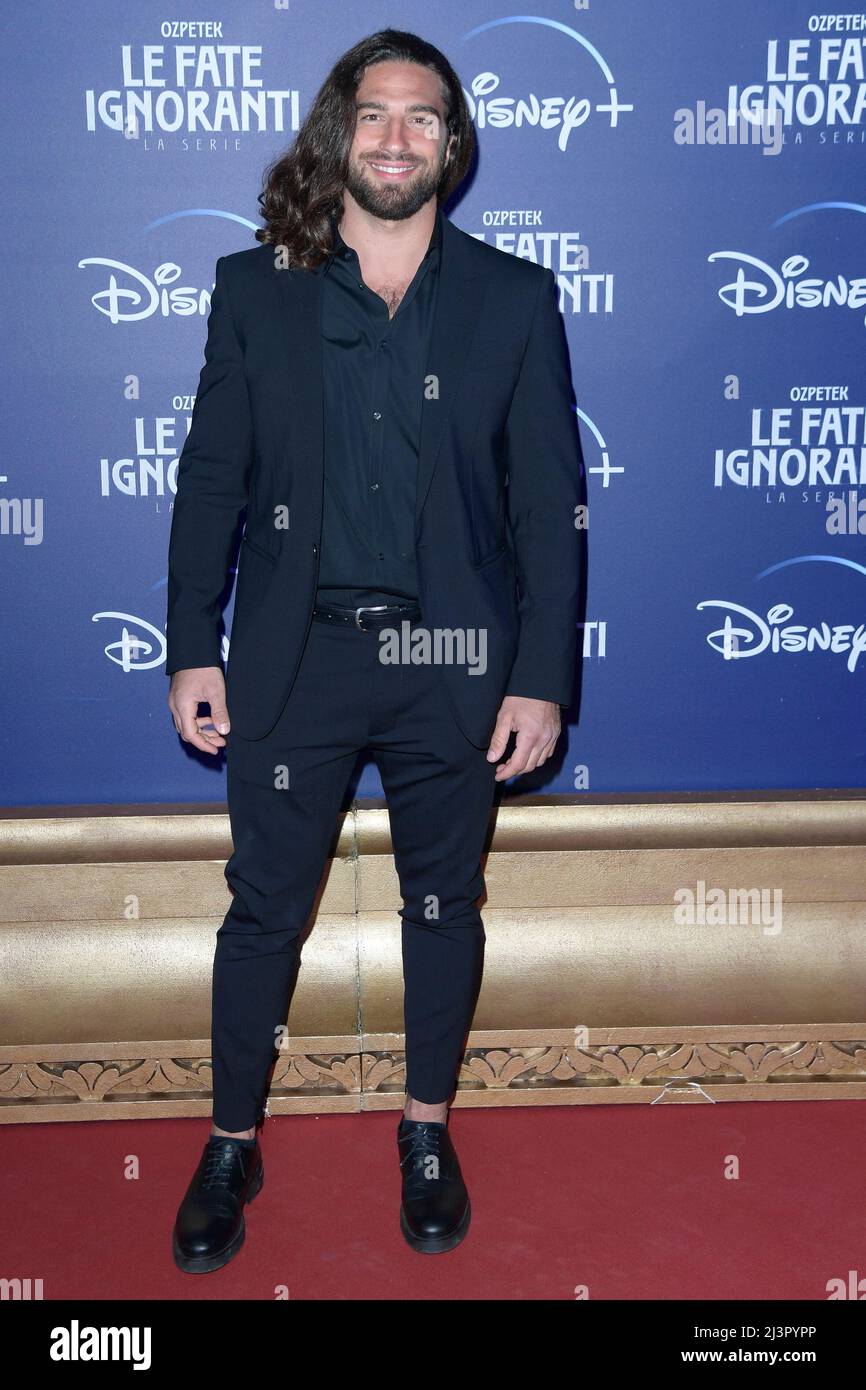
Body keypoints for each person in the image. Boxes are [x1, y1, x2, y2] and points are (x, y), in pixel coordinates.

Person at [166, 27, 584, 1273]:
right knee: (261, 913)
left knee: (443, 908)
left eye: (422, 117)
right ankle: (229, 1142)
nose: (396, 137)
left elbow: (546, 508)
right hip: (298, 658)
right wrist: (194, 643)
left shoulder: (512, 299)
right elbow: (211, 486)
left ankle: (424, 1132)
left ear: (451, 146)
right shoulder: (257, 290)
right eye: (374, 115)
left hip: (454, 663)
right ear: (337, 134)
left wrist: (540, 675)